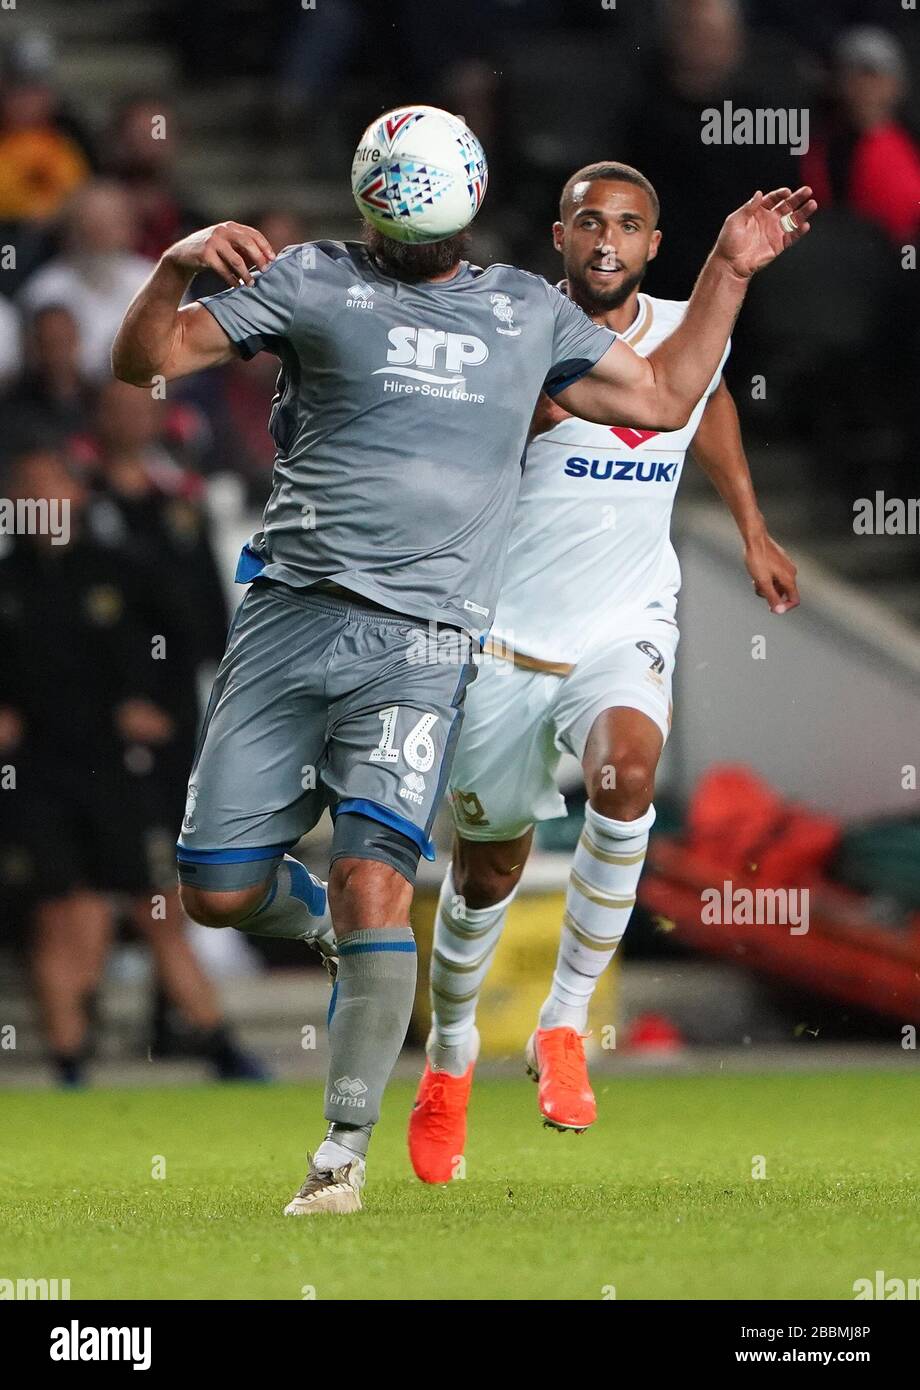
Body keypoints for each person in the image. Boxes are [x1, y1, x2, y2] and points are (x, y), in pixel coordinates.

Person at [111, 103, 814, 1215]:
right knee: (215, 890)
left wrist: (727, 269)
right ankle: (349, 945)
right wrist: (175, 263)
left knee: (387, 878)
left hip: (427, 641)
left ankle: (344, 1154)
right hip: (290, 615)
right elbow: (142, 360)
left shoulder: (523, 311)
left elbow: (673, 395)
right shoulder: (310, 280)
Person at [407, 161, 802, 1181]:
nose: (607, 240)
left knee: (626, 779)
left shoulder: (681, 326)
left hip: (625, 619)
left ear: (653, 245)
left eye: (628, 224)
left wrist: (751, 526)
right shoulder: (515, 333)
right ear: (559, 236)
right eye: (589, 222)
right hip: (505, 636)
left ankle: (563, 1024)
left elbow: (705, 400)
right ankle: (449, 1055)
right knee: (486, 871)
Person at [0, 446, 263, 1085]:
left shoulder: (125, 571)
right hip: (36, 775)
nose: (39, 500)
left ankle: (218, 1044)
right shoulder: (8, 585)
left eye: (49, 484)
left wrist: (158, 711)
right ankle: (70, 1062)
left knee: (157, 907)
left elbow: (187, 645)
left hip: (122, 771)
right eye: (25, 488)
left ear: (76, 494)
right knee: (63, 914)